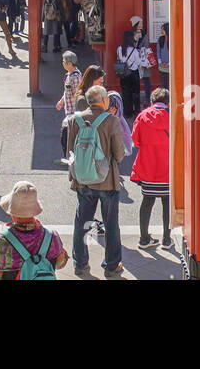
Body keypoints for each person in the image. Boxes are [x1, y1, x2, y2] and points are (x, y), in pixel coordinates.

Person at [68, 85, 127, 278]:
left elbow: (70, 151)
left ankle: (81, 264)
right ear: (102, 100)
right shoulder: (110, 120)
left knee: (81, 223)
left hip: (83, 180)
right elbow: (119, 154)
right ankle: (111, 266)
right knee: (111, 224)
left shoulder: (74, 119)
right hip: (107, 181)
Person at [0, 181, 68, 279]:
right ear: (34, 210)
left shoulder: (0, 241)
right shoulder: (51, 237)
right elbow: (60, 263)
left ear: (12, 213)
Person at [130, 88, 172, 249]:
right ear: (167, 102)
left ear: (152, 101)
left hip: (147, 166)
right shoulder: (172, 117)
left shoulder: (142, 116)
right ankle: (167, 239)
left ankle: (144, 238)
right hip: (167, 167)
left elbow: (136, 140)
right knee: (167, 203)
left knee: (147, 201)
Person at [56, 50, 82, 162]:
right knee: (67, 135)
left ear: (69, 63)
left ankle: (69, 158)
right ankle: (69, 157)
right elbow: (67, 91)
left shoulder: (75, 77)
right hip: (69, 109)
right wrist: (62, 101)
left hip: (73, 111)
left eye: (63, 61)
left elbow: (77, 94)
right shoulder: (69, 75)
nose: (62, 63)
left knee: (66, 136)